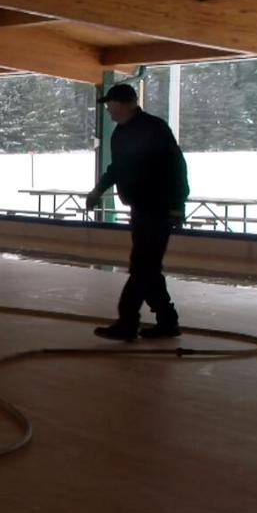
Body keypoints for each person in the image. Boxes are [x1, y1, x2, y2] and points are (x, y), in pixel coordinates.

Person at [86, 83, 190, 341]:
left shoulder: (154, 128)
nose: (108, 110)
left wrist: (177, 204)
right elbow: (117, 167)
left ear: (125, 103)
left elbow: (176, 166)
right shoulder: (120, 133)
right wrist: (99, 189)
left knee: (142, 267)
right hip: (140, 208)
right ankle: (167, 321)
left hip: (160, 208)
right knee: (148, 268)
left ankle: (127, 321)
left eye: (111, 104)